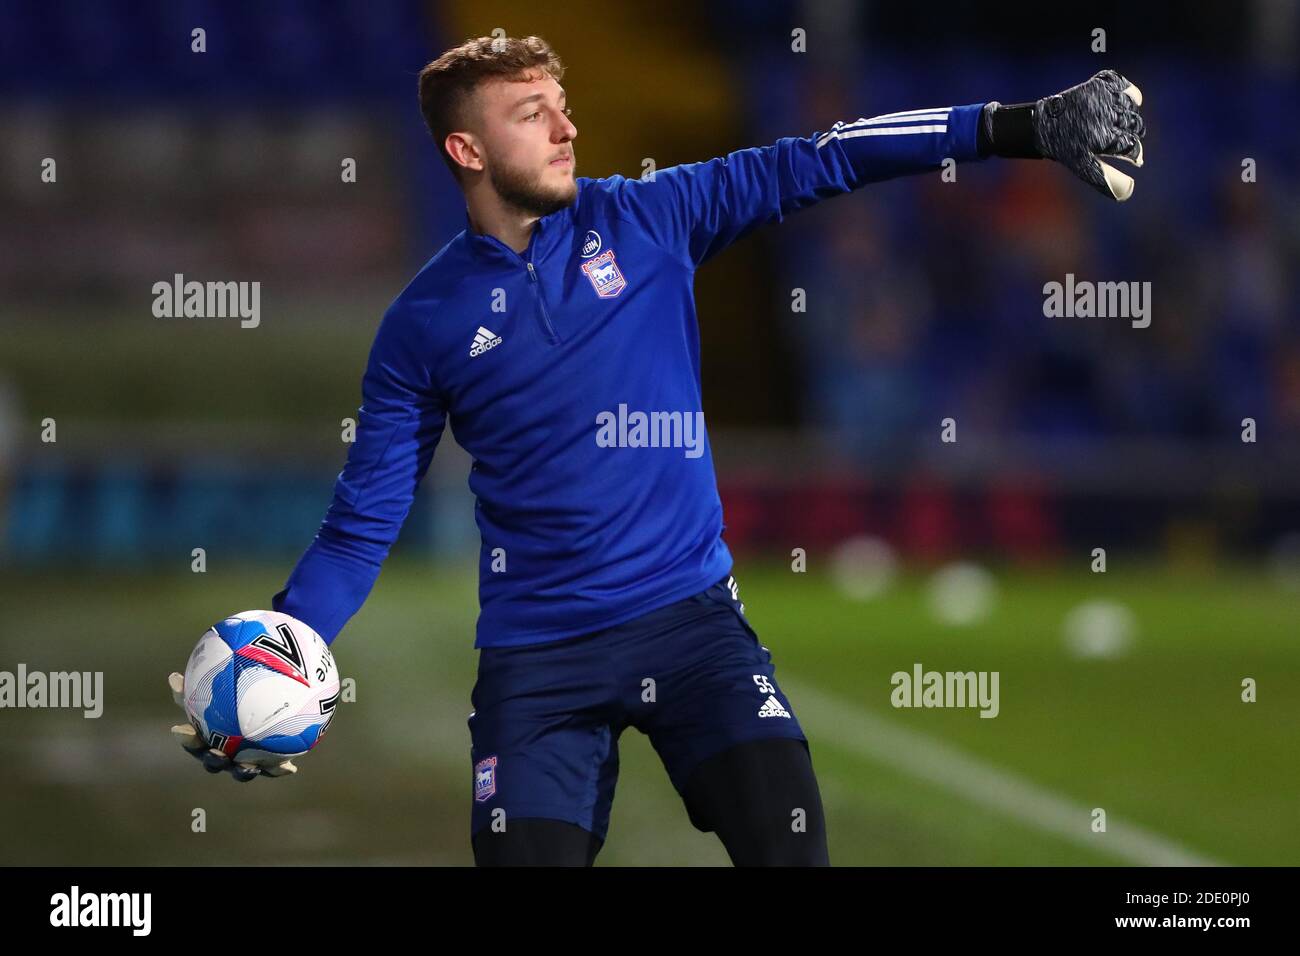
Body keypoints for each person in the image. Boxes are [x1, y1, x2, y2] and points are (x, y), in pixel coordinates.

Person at [169, 35, 1145, 866]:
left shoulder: (650, 217)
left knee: (790, 841)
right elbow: (361, 524)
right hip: (536, 664)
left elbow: (827, 156)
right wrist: (280, 653)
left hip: (694, 634)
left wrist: (1017, 125)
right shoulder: (421, 323)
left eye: (564, 106)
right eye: (531, 113)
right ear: (465, 148)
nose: (567, 128)